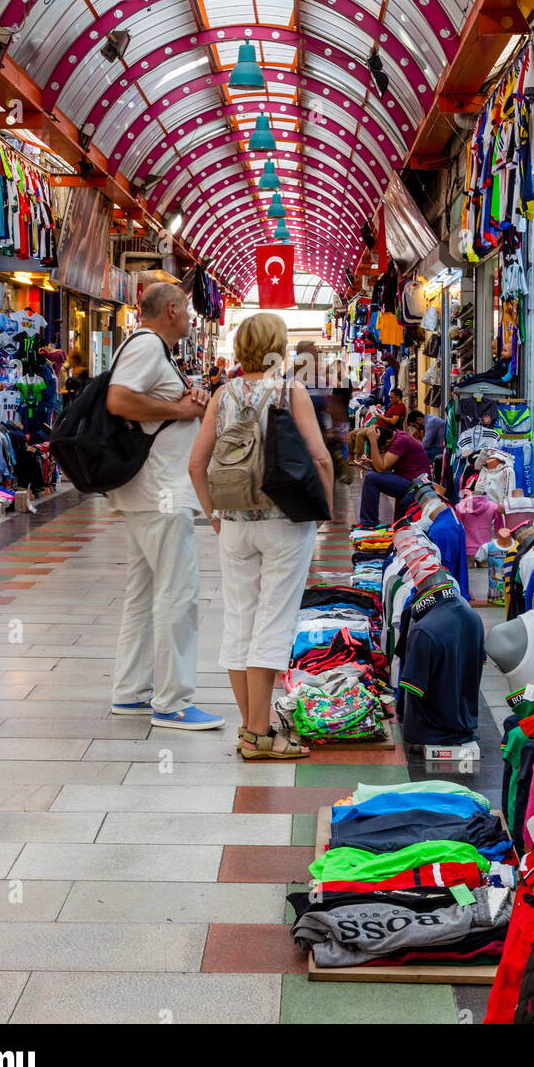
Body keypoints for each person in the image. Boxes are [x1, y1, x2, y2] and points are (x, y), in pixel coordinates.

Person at [188, 312, 334, 761]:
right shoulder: (290, 391)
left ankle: (252, 732)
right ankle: (260, 733)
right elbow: (320, 458)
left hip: (234, 525)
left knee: (240, 623)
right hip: (285, 522)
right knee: (273, 623)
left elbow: (197, 464)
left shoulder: (222, 394)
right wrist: (322, 511)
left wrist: (214, 516)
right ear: (279, 346)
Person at [105, 282, 223, 730]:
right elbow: (120, 399)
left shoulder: (151, 348)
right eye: (189, 310)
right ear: (172, 310)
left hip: (150, 491)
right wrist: (183, 411)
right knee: (178, 592)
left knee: (143, 594)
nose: (193, 318)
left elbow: (143, 402)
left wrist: (180, 402)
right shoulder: (148, 345)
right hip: (160, 492)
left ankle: (132, 693)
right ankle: (172, 702)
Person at [358, 417, 431, 527]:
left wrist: (373, 442)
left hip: (416, 486)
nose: (382, 453)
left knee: (371, 477)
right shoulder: (397, 436)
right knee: (371, 473)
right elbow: (383, 464)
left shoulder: (400, 441)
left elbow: (381, 467)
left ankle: (368, 523)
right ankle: (368, 521)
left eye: (382, 449)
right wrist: (372, 463)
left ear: (387, 442)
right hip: (410, 481)